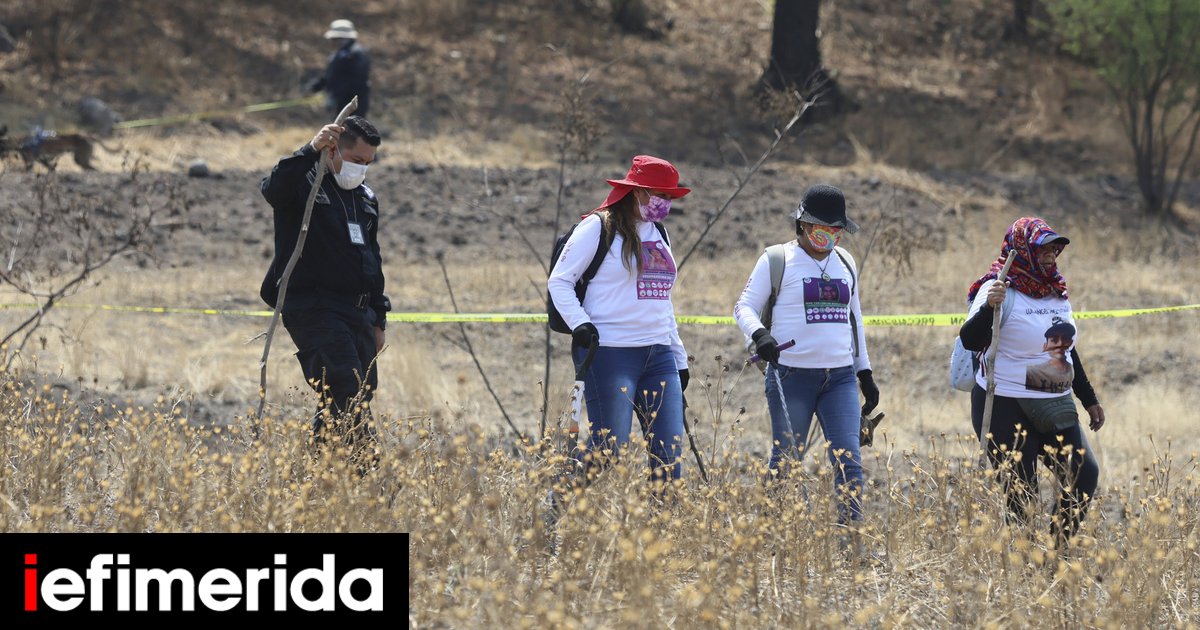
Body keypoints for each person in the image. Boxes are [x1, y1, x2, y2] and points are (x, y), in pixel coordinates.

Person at [734, 184, 878, 524]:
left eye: (836, 229)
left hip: (840, 377)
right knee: (786, 460)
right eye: (820, 227)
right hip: (790, 377)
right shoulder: (777, 259)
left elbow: (854, 319)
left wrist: (865, 373)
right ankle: (771, 531)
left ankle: (851, 541)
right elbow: (744, 308)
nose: (828, 235)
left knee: (849, 462)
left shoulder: (846, 262)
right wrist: (760, 335)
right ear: (802, 225)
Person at [959, 216, 1105, 546]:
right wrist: (988, 308)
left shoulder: (1056, 292)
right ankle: (1022, 573)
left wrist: (1089, 398)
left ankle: (1055, 551)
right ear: (1022, 251)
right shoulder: (997, 287)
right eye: (1043, 249)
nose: (1051, 254)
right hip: (1005, 405)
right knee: (1022, 497)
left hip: (1054, 403)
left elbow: (1067, 350)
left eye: (1055, 248)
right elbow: (970, 339)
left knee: (1084, 474)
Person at [547, 155, 691, 482]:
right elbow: (560, 281)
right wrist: (580, 323)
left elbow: (662, 300)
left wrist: (679, 358)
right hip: (610, 354)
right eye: (660, 195)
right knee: (607, 451)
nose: (666, 203)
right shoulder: (598, 227)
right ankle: (556, 506)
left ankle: (662, 530)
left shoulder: (660, 234)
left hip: (659, 355)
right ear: (637, 192)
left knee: (668, 458)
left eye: (669, 197)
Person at [259, 116, 390, 445]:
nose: (361, 169)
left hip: (358, 313)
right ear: (334, 150)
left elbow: (372, 258)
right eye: (357, 161)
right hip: (314, 308)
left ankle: (316, 477)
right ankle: (367, 471)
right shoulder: (304, 184)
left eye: (368, 164)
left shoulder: (365, 199)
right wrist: (309, 150)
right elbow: (273, 189)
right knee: (345, 385)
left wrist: (378, 317)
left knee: (351, 398)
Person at [308, 19, 371, 119]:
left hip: (353, 103)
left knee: (352, 131)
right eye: (334, 39)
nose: (335, 42)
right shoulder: (337, 54)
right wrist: (319, 85)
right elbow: (332, 74)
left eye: (337, 38)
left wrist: (335, 93)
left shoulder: (357, 53)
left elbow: (357, 79)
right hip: (341, 101)